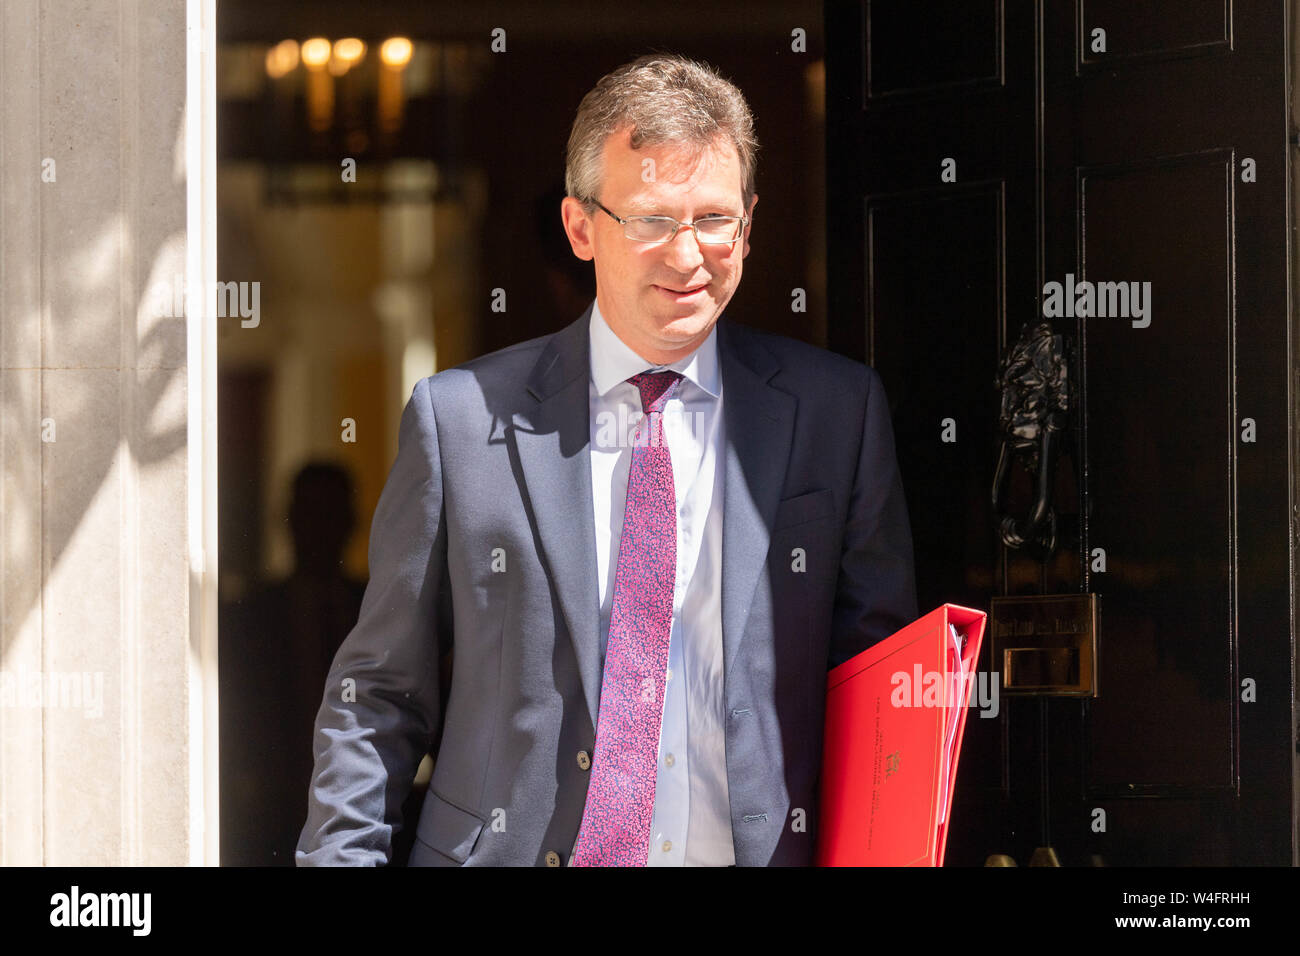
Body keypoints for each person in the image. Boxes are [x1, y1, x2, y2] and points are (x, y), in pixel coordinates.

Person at [296, 53, 917, 867]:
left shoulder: (838, 413)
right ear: (581, 227)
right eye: (653, 221)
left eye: (714, 219)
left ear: (750, 223)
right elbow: (376, 695)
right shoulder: (458, 420)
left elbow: (885, 698)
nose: (688, 255)